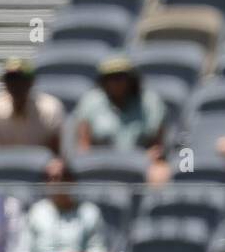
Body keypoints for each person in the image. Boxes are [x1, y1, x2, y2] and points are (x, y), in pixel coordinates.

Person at [72, 54, 169, 182]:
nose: (116, 82)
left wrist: (146, 157)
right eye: (111, 78)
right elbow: (84, 145)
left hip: (141, 163)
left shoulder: (150, 103)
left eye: (121, 77)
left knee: (161, 172)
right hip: (101, 164)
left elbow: (157, 146)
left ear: (131, 79)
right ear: (103, 81)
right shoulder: (90, 102)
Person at [0, 57, 64, 153]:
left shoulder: (50, 108)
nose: (16, 85)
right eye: (11, 80)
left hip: (38, 166)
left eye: (21, 80)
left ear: (31, 82)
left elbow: (56, 152)